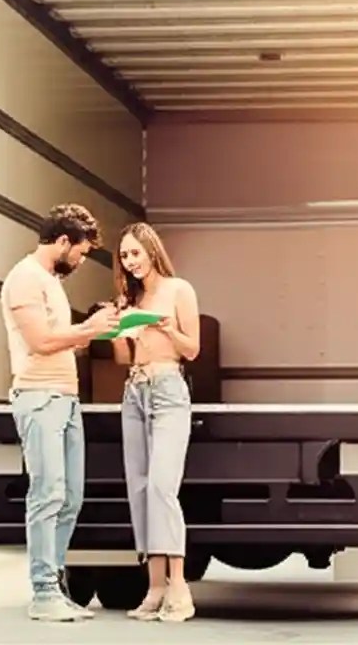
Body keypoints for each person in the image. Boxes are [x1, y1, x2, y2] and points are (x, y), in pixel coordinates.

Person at [0, 203, 120, 622]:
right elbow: (40, 341)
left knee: (70, 498)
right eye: (81, 253)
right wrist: (90, 329)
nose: (81, 261)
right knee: (47, 494)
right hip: (39, 397)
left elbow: (65, 339)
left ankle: (55, 584)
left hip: (65, 400)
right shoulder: (24, 280)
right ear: (63, 241)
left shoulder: (49, 281)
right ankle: (43, 592)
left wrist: (98, 328)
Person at [111, 222, 201, 623]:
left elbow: (193, 349)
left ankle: (179, 588)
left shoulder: (179, 290)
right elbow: (121, 360)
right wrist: (115, 329)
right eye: (124, 256)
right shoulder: (129, 298)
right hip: (135, 392)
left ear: (151, 249)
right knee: (141, 489)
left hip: (168, 389)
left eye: (134, 253)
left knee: (164, 487)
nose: (130, 262)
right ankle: (155, 587)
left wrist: (167, 327)